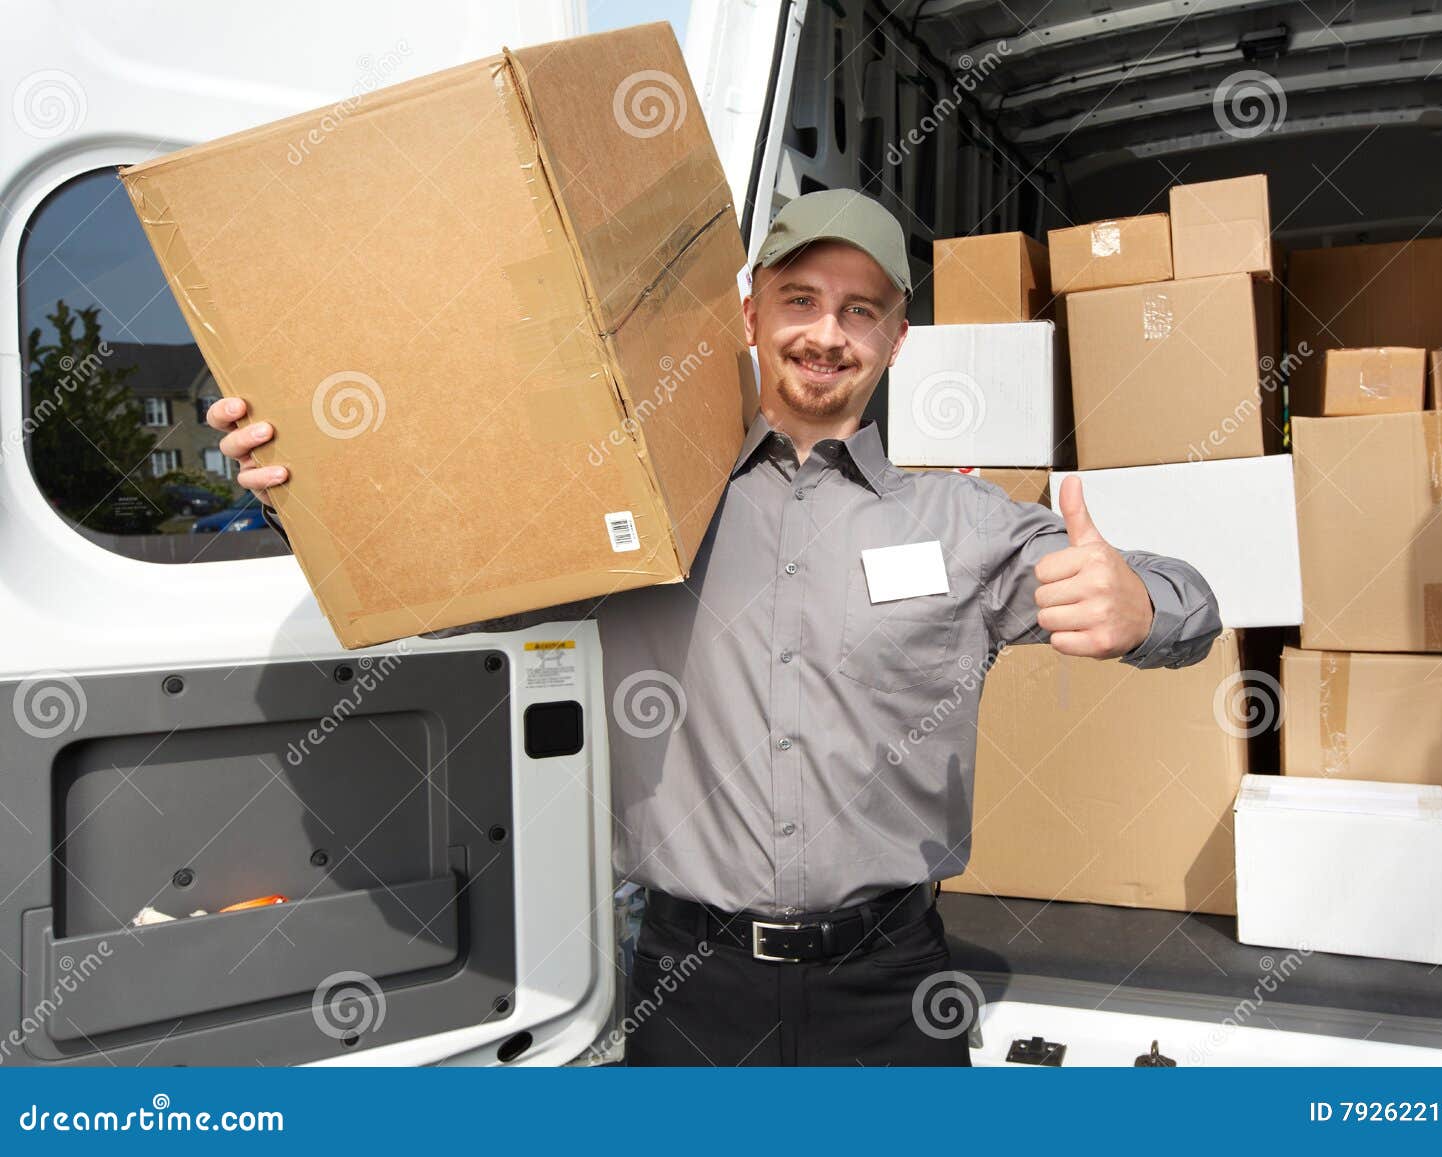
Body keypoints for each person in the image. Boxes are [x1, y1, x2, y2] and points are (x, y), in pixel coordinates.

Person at [208, 189, 1221, 1066]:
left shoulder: (962, 524)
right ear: (751, 312)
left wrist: (1144, 601)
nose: (827, 333)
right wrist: (300, 481)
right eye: (801, 300)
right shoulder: (638, 517)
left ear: (897, 336)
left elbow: (1191, 600)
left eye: (860, 310)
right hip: (688, 984)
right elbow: (436, 583)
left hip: (894, 983)